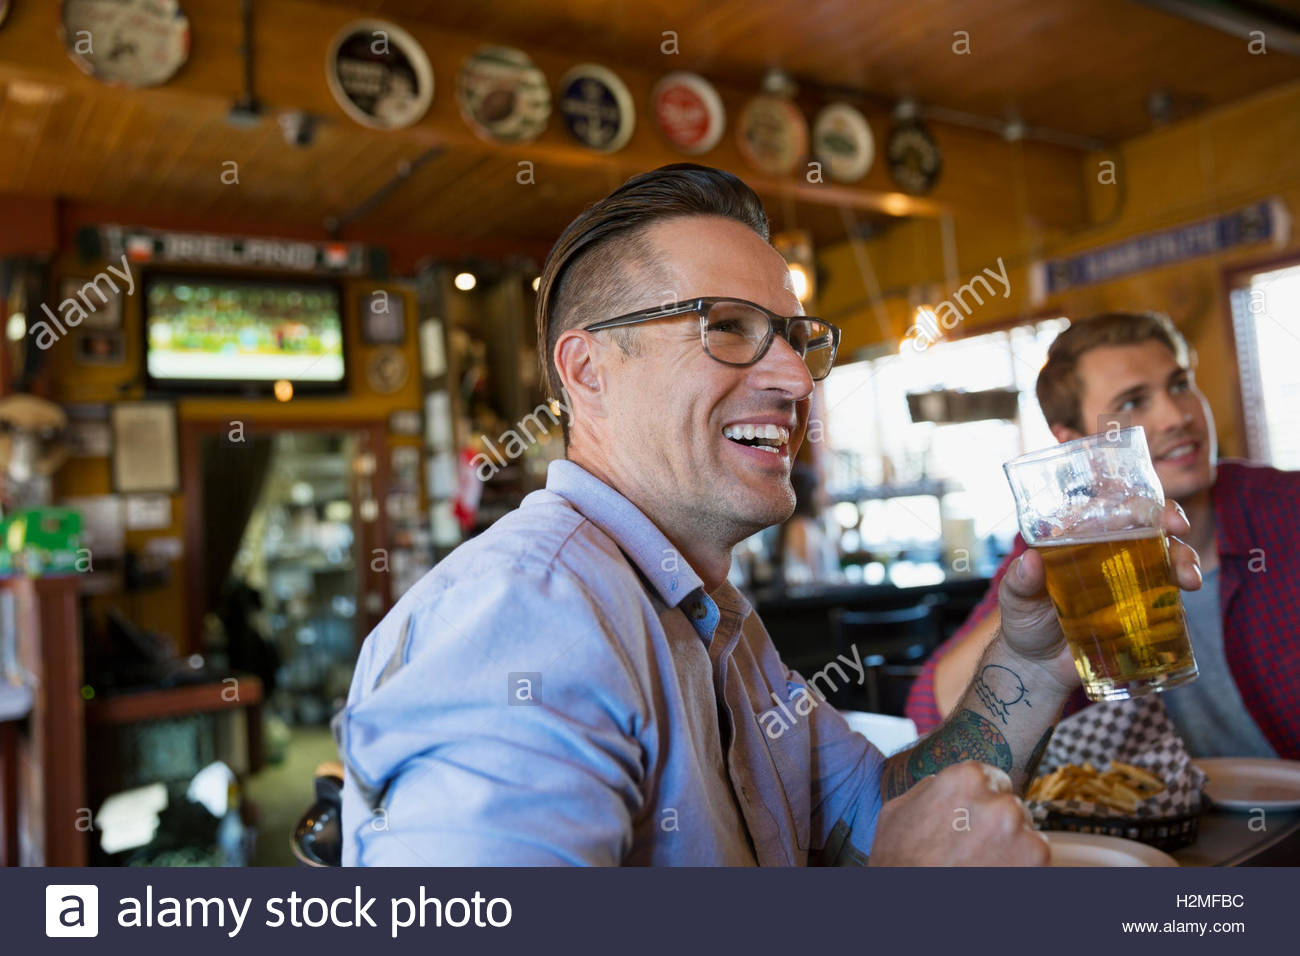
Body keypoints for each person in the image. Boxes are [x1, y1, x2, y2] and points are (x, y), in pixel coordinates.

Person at [335, 167, 1200, 866]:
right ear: (588, 371)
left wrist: (1035, 660)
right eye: (728, 327)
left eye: (792, 337)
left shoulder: (713, 619)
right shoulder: (526, 619)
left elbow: (879, 817)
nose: (796, 380)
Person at [906, 312, 1299, 760]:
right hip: (1168, 829)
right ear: (1073, 443)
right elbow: (930, 711)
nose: (1177, 416)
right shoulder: (1058, 547)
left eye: (1179, 384)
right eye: (1133, 402)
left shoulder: (1287, 508)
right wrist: (1033, 634)